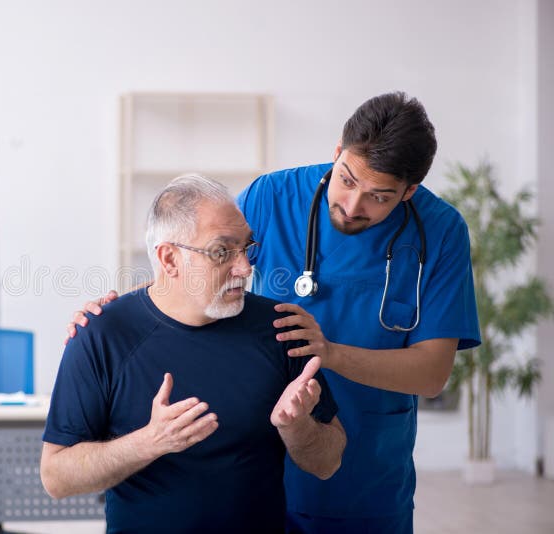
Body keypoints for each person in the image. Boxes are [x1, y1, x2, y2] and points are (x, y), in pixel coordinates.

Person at [67, 92, 481, 534]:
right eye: (346, 179)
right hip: (260, 469)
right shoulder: (274, 196)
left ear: (409, 192)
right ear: (337, 152)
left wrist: (329, 353)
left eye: (379, 197)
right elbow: (203, 260)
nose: (353, 205)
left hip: (365, 477)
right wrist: (124, 312)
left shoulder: (441, 231)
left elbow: (432, 374)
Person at [42, 175, 346, 534]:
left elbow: (328, 463)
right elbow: (56, 477)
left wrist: (298, 428)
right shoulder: (102, 335)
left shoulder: (282, 328)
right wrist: (148, 442)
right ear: (169, 258)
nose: (245, 268)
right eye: (222, 251)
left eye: (246, 247)